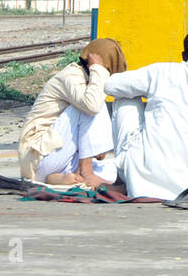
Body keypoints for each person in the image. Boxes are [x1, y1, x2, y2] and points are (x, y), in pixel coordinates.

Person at [103, 28, 188, 200]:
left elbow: (110, 86)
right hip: (186, 189)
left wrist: (149, 92)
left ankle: (122, 175)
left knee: (125, 98)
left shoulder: (160, 72)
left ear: (183, 55)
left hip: (138, 183)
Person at [18, 38, 128, 186]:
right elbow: (92, 106)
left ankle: (56, 178)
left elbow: (99, 155)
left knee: (118, 171)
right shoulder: (71, 75)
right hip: (38, 155)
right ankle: (86, 172)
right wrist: (98, 69)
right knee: (91, 104)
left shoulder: (86, 80)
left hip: (58, 157)